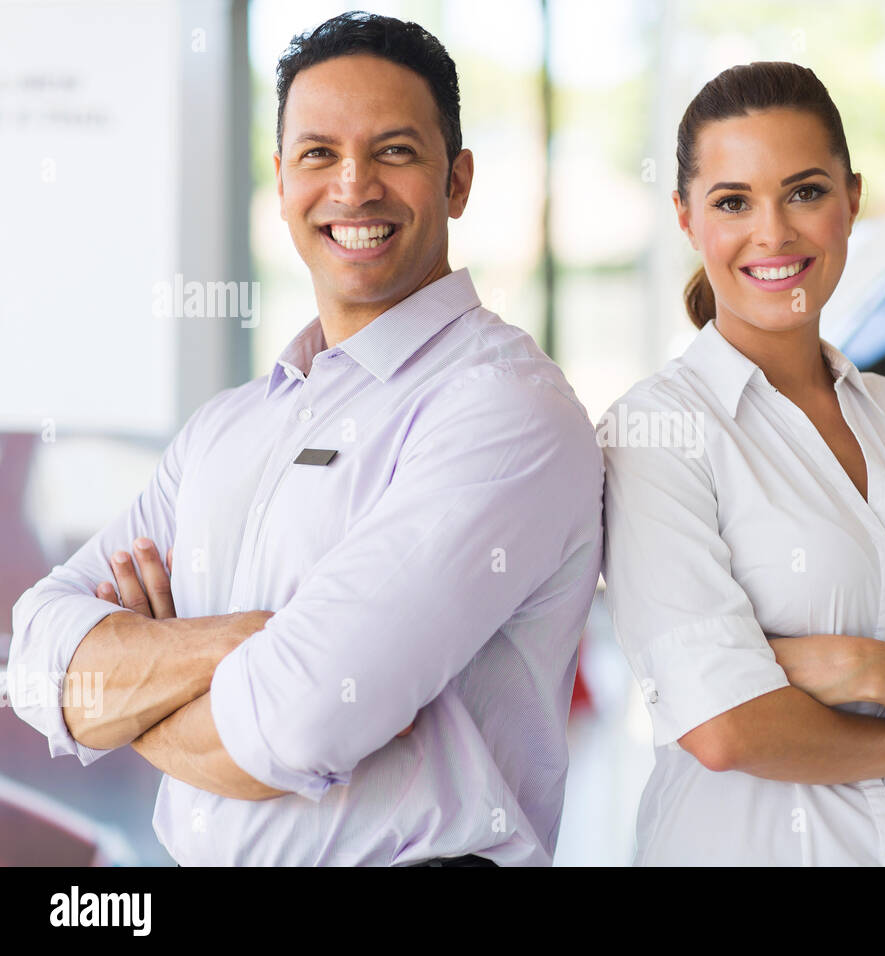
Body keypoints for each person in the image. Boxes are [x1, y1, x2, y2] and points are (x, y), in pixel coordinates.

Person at [7, 11, 603, 867]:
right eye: (319, 153)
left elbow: (297, 721)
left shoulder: (505, 411)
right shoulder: (231, 424)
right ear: (281, 178)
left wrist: (127, 694)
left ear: (458, 181)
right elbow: (34, 662)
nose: (353, 187)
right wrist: (246, 641)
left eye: (395, 150)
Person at [599, 61, 885, 866]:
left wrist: (862, 669)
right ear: (685, 217)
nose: (774, 233)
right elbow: (728, 727)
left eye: (805, 192)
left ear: (851, 198)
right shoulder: (656, 433)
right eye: (733, 201)